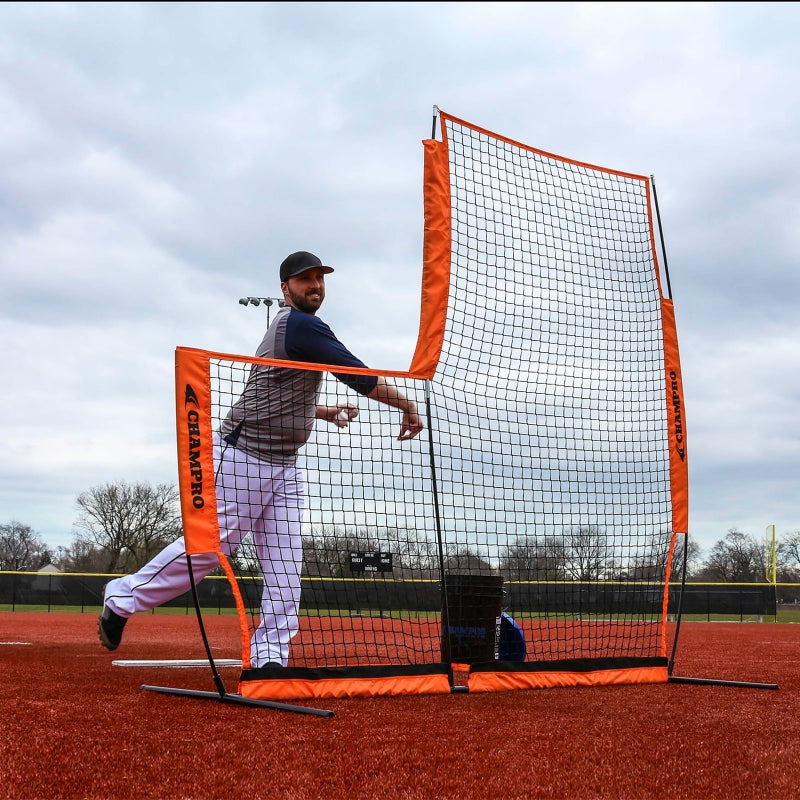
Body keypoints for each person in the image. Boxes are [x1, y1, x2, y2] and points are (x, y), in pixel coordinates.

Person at [98, 251, 423, 666]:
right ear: (285, 288)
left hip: (284, 465)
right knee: (209, 550)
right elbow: (355, 374)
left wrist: (323, 412)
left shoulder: (296, 330)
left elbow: (274, 394)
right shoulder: (300, 324)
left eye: (320, 278)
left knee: (286, 564)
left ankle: (271, 654)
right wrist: (405, 403)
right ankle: (122, 597)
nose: (315, 286)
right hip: (242, 456)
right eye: (305, 279)